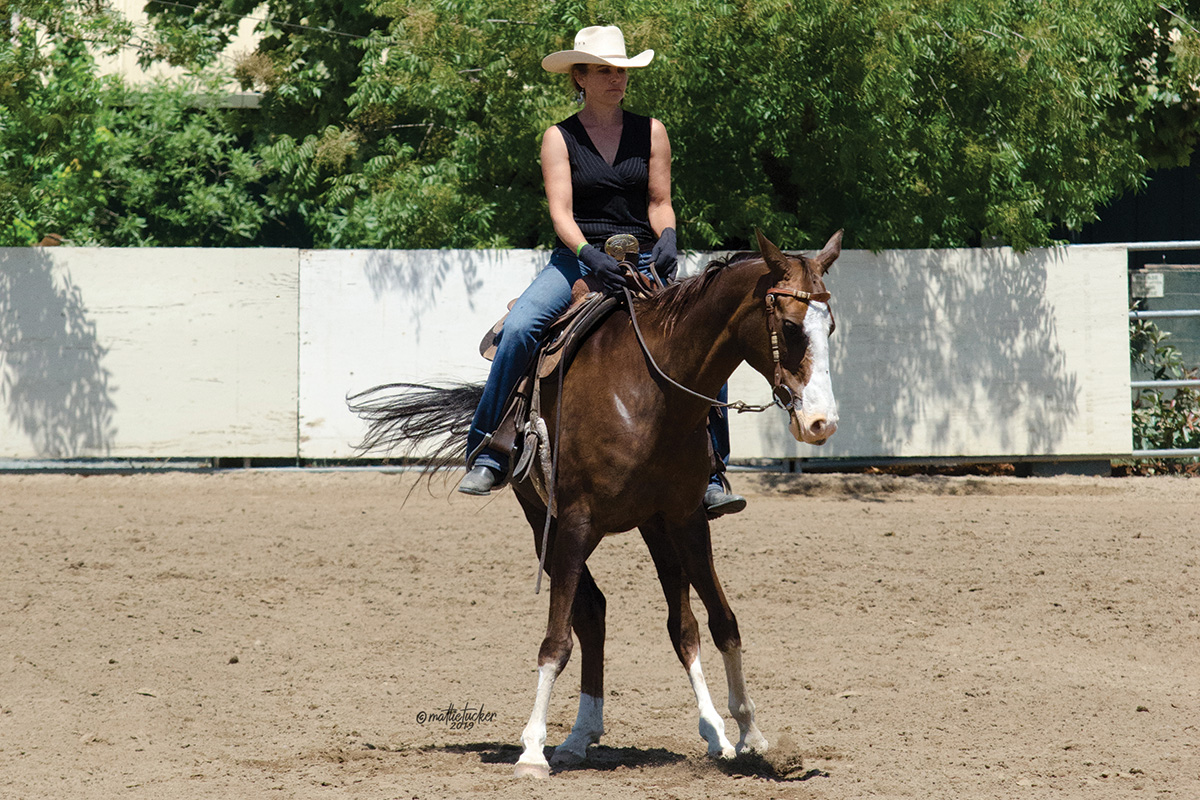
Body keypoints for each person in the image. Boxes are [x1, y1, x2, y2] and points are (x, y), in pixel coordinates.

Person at [458, 25, 744, 517]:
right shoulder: (559, 137)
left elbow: (660, 202)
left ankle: (712, 469)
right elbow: (561, 215)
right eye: (607, 71)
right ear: (581, 77)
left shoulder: (651, 131)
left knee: (702, 337)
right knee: (522, 327)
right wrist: (589, 254)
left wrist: (669, 237)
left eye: (622, 71)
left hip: (643, 260)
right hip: (576, 261)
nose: (618, 79)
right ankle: (488, 449)